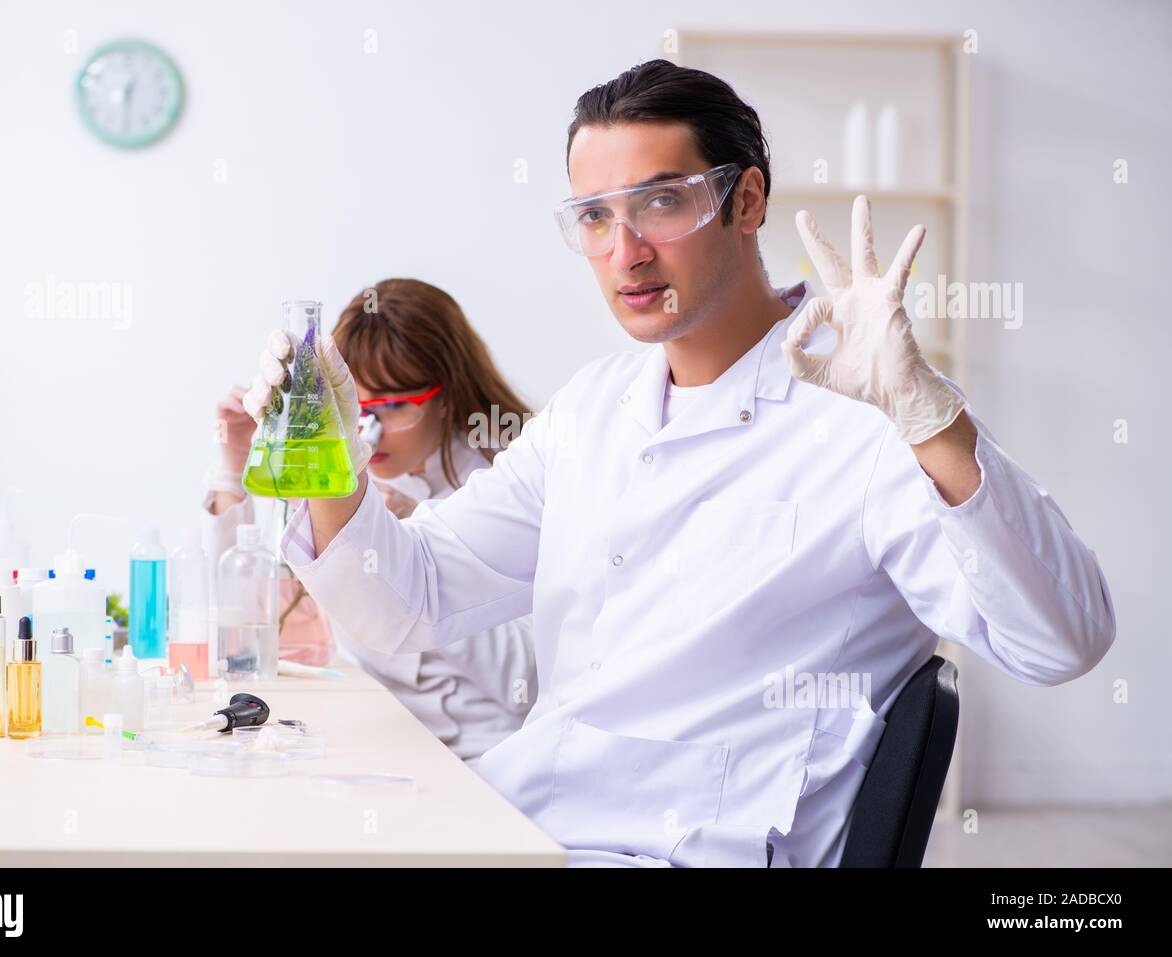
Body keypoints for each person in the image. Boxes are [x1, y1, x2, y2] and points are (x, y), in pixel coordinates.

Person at [246, 61, 1116, 867]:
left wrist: (934, 423)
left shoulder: (869, 418)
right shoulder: (593, 409)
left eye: (659, 204)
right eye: (594, 216)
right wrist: (329, 456)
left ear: (746, 202)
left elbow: (1062, 640)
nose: (625, 252)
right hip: (534, 825)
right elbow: (415, 596)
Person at [205, 279, 537, 765]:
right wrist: (231, 466)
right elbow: (242, 597)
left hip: (483, 757)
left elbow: (527, 678)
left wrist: (418, 559)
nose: (370, 431)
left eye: (397, 405)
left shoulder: (506, 484)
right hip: (378, 734)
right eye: (357, 406)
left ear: (447, 396)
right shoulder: (340, 479)